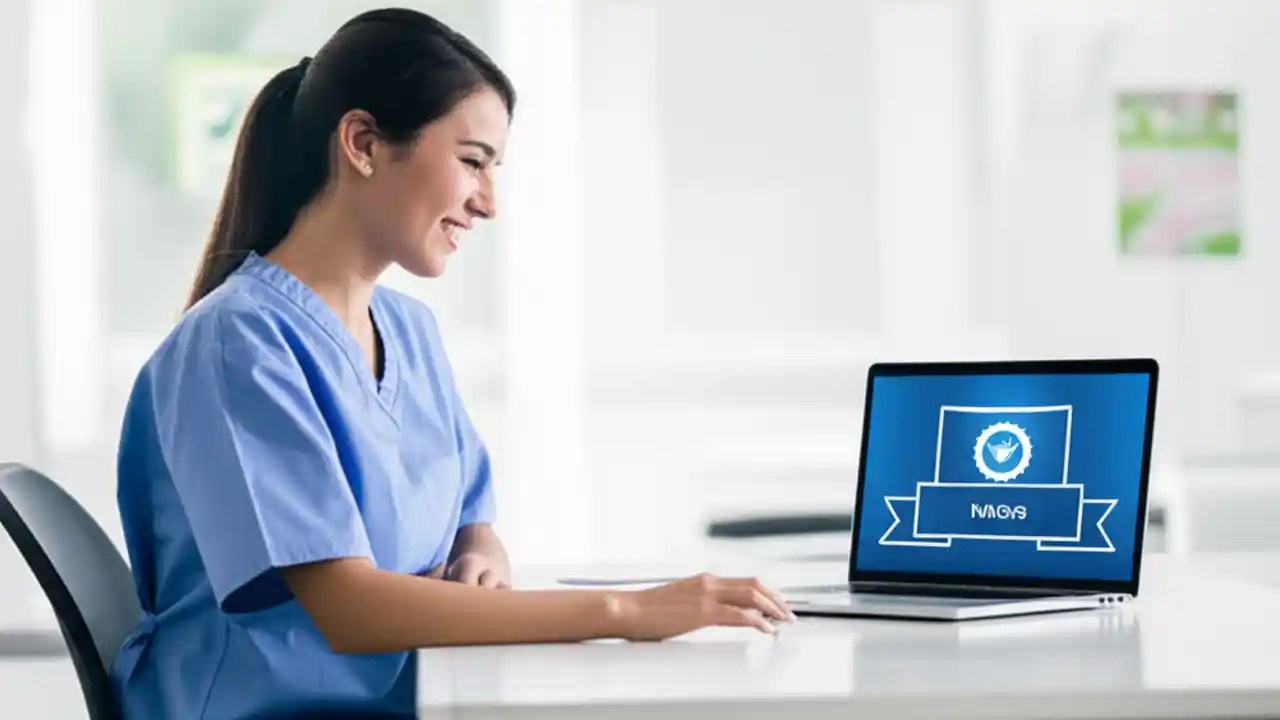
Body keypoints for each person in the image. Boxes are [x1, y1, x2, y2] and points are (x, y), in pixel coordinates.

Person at [111, 7, 794, 719]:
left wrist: (481, 554)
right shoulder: (236, 344)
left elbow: (471, 514)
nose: (489, 202)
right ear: (364, 143)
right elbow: (349, 609)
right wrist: (628, 610)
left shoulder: (410, 331)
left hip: (412, 695)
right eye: (472, 161)